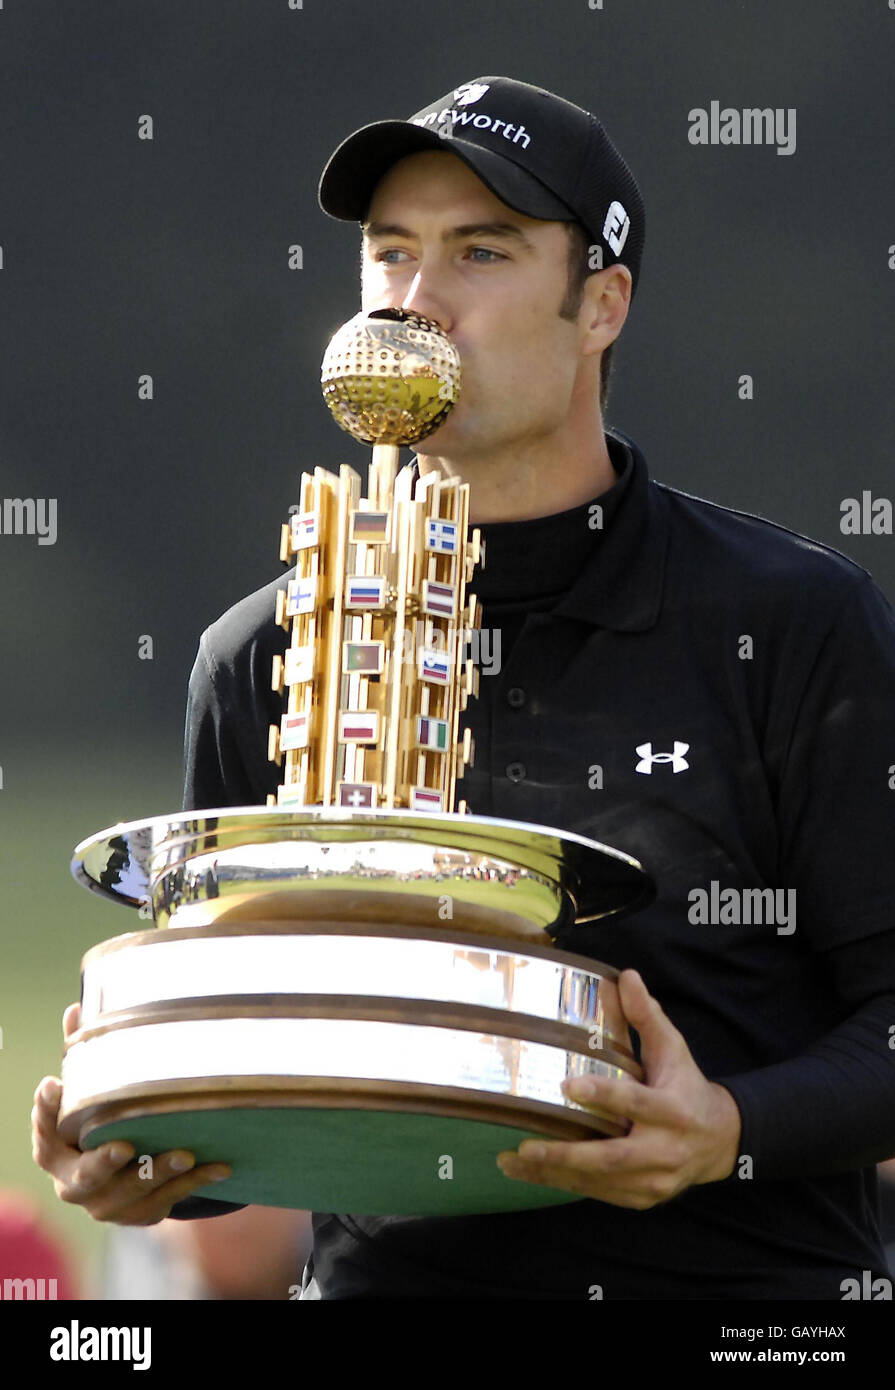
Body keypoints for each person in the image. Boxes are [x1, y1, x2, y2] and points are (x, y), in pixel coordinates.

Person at [33, 76, 895, 1300]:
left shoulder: (789, 619)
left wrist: (729, 1131)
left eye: (479, 251)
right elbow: (266, 1098)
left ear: (601, 304)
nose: (414, 302)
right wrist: (142, 1144)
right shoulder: (259, 654)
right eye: (390, 254)